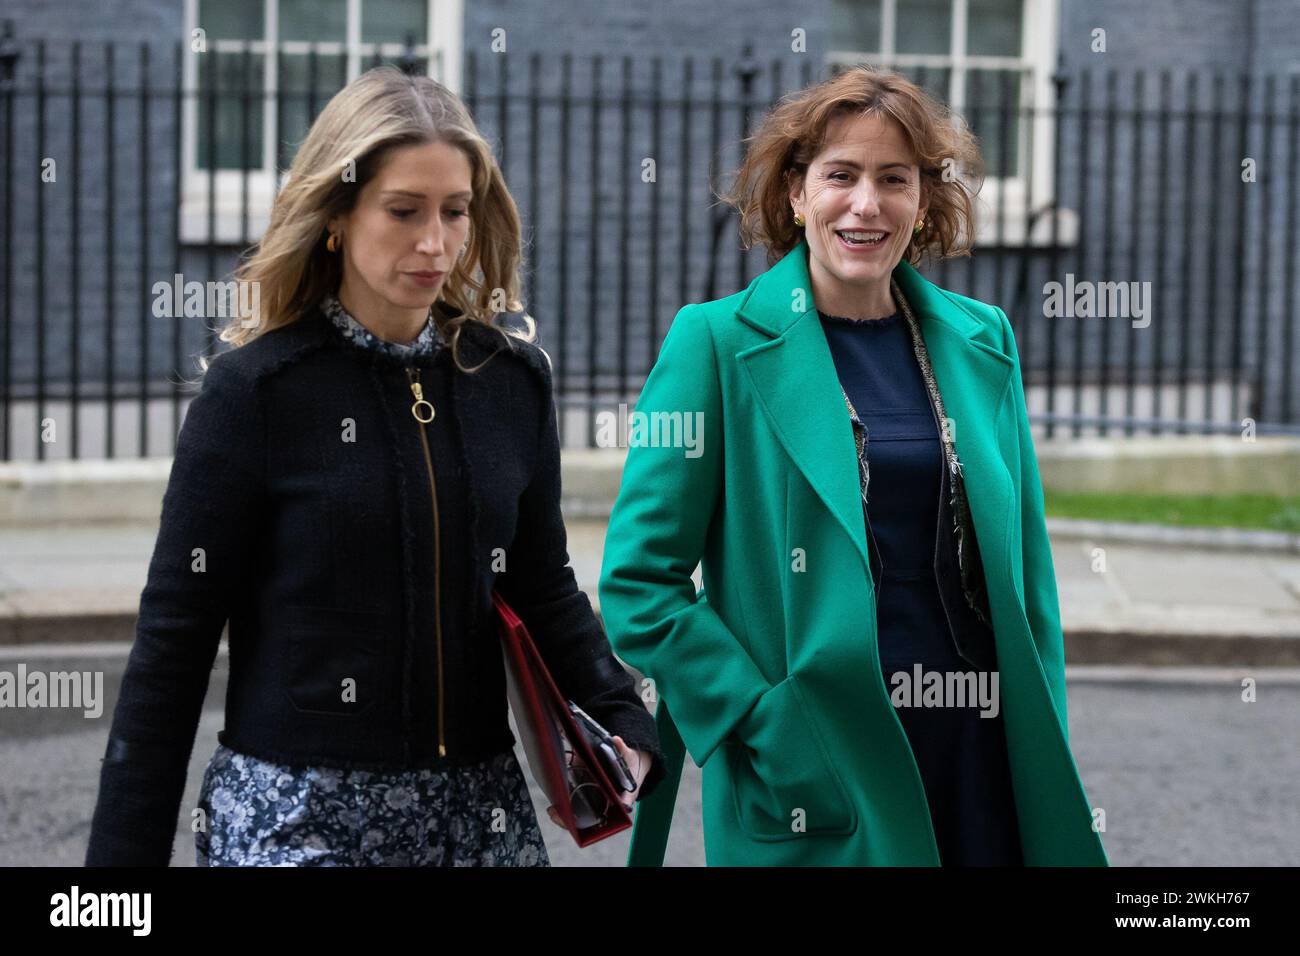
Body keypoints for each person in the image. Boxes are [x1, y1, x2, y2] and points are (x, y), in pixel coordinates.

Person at [84, 67, 663, 867]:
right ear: (336, 215)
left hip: (477, 817)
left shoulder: (509, 381)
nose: (435, 242)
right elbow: (172, 646)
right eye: (403, 211)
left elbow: (541, 583)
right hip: (296, 816)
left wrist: (623, 720)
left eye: (455, 212)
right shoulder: (256, 391)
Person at [598, 66, 1109, 866]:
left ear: (924, 199)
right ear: (798, 194)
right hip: (819, 758)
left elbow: (1027, 577)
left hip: (980, 746)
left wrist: (1043, 742)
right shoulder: (716, 343)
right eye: (841, 175)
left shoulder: (983, 340)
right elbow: (640, 584)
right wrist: (760, 720)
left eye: (893, 180)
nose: (866, 205)